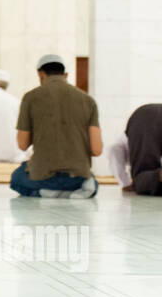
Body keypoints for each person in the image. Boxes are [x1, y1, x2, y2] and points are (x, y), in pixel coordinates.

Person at [11, 54, 102, 199]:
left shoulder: (30, 98)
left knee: (17, 179)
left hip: (43, 176)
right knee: (90, 179)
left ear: (41, 74)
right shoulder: (88, 100)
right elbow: (97, 150)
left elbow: (22, 144)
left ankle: (46, 193)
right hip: (77, 176)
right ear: (65, 74)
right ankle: (83, 187)